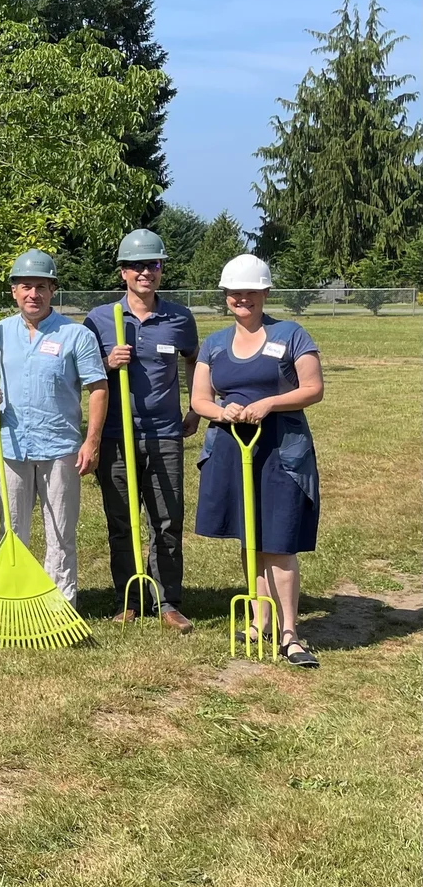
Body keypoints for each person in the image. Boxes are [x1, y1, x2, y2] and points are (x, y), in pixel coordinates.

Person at [190, 254, 323, 669]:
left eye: (249, 291)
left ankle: (290, 634)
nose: (241, 299)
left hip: (281, 452)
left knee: (279, 543)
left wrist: (268, 403)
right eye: (234, 293)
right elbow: (198, 399)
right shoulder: (213, 344)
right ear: (226, 297)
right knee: (250, 541)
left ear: (265, 292)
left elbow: (313, 389)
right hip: (232, 449)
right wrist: (220, 412)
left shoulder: (291, 334)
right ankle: (257, 622)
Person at [83, 229, 199, 631]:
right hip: (117, 434)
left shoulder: (179, 318)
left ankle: (168, 603)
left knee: (167, 520)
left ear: (161, 269)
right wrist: (106, 361)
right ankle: (128, 599)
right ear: (123, 273)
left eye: (153, 264)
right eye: (136, 266)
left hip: (164, 433)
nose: (145, 272)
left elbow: (194, 360)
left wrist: (194, 407)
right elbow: (82, 372)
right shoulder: (99, 319)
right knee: (122, 521)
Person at [0, 249, 108, 606]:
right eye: (25, 286)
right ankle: (14, 596)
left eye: (41, 286)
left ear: (53, 290)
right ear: (14, 291)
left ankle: (60, 602)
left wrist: (92, 442)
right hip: (11, 446)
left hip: (60, 446)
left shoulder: (76, 335)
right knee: (11, 529)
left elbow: (98, 389)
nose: (33, 294)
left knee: (60, 529)